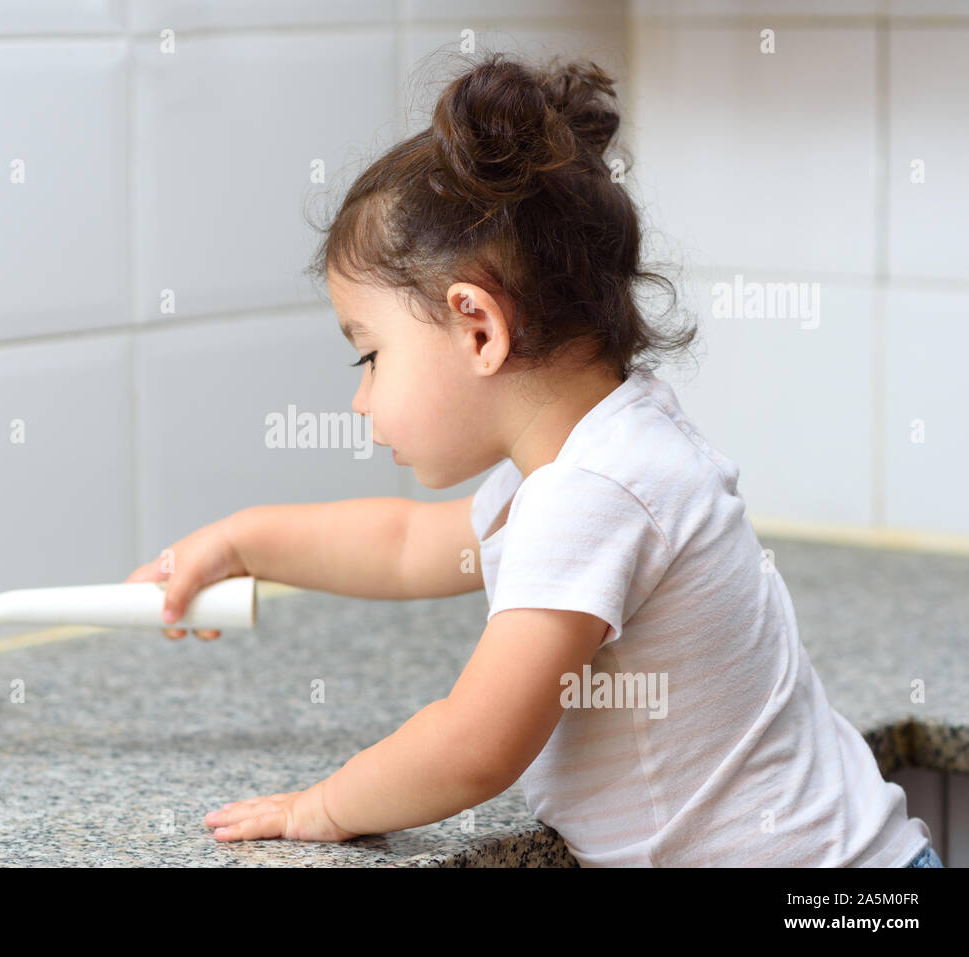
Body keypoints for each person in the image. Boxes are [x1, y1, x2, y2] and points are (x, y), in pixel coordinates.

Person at [125, 50, 936, 867]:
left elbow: (476, 745)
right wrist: (241, 541)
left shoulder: (597, 489)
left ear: (479, 327)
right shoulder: (589, 452)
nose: (361, 401)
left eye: (367, 356)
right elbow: (407, 545)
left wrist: (322, 805)